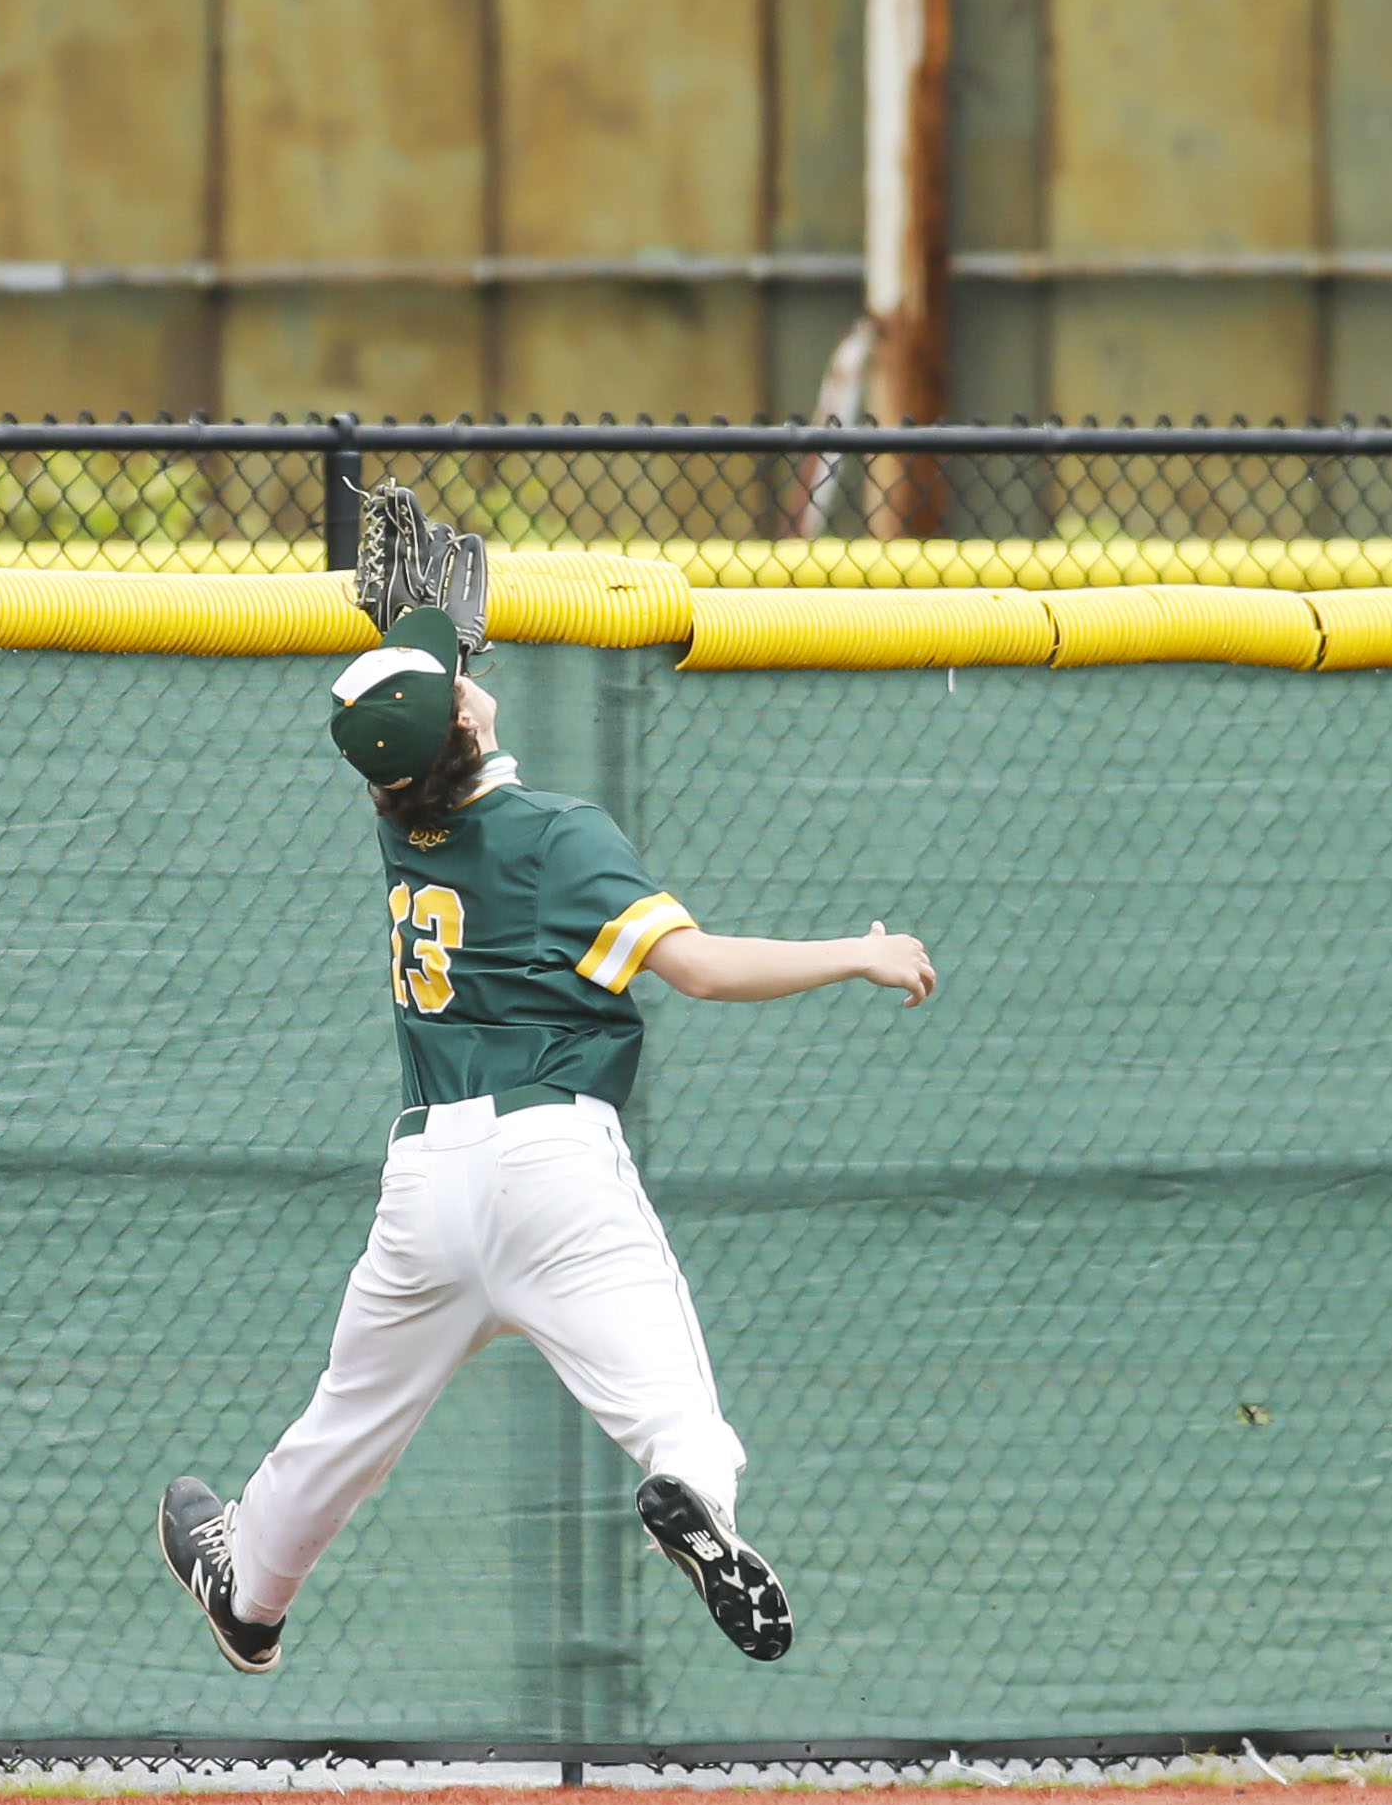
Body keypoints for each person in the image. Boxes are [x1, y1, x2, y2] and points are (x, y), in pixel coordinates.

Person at [158, 606, 939, 1674]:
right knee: (676, 1411)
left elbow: (414, 729)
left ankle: (249, 1594)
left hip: (424, 1188)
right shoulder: (557, 834)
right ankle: (694, 1496)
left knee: (344, 1424)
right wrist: (859, 951)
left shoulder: (400, 817)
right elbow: (701, 968)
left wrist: (424, 651)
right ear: (466, 728)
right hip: (551, 1165)